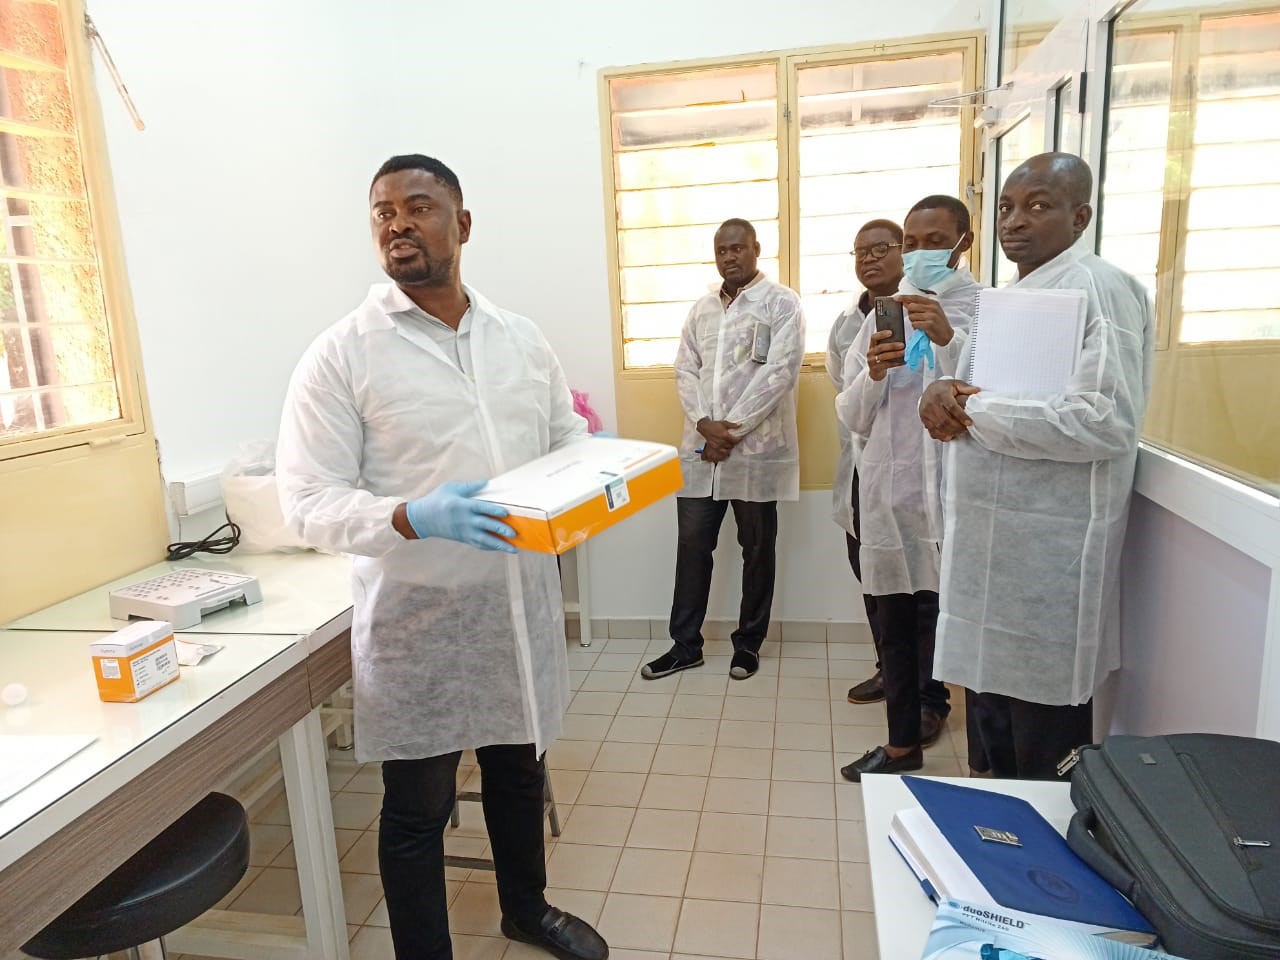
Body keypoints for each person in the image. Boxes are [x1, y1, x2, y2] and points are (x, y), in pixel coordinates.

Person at [276, 155, 608, 960]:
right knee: (418, 807)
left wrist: (591, 482)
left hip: (516, 606)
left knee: (518, 774)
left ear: (462, 224)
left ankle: (525, 910)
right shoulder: (342, 354)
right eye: (383, 212)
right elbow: (307, 500)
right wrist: (409, 515)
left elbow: (566, 437)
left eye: (418, 206)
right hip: (418, 622)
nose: (397, 223)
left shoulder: (519, 339)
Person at [919, 153, 1154, 780]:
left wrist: (971, 410)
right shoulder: (1018, 296)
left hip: (1047, 569)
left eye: (1039, 205)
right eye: (1006, 206)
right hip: (990, 564)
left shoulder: (1099, 289)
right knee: (992, 745)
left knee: (1042, 756)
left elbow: (1103, 419)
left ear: (1081, 216)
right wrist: (945, 391)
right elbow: (980, 386)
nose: (1015, 221)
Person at [836, 200, 980, 780]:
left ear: (962, 242)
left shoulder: (983, 310)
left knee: (951, 622)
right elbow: (851, 413)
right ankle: (900, 747)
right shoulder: (882, 315)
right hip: (889, 500)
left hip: (955, 502)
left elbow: (992, 400)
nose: (920, 250)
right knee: (892, 624)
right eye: (913, 238)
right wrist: (872, 374)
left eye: (933, 239)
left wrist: (948, 340)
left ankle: (983, 762)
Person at [642, 218, 805, 682]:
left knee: (757, 549)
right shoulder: (701, 310)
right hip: (701, 452)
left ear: (756, 249)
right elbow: (684, 369)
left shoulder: (781, 304)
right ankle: (684, 645)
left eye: (737, 248)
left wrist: (730, 431)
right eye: (721, 250)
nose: (729, 257)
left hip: (755, 452)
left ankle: (748, 644)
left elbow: (780, 372)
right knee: (692, 547)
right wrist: (703, 425)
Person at [827, 221, 902, 706]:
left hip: (910, 472)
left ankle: (923, 689)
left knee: (911, 587)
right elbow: (845, 391)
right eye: (860, 252)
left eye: (880, 249)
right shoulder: (844, 323)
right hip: (859, 467)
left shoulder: (921, 311)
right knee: (869, 571)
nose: (868, 259)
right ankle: (889, 669)